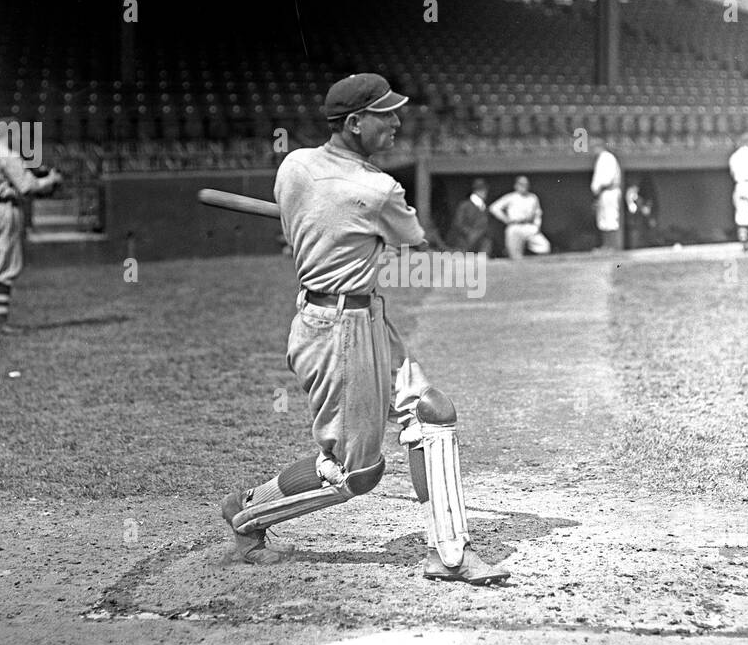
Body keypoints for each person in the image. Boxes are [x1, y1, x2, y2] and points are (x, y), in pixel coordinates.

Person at [220, 72, 509, 586]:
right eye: (385, 114)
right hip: (335, 331)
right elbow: (415, 244)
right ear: (354, 123)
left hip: (365, 316)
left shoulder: (294, 166)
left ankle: (449, 553)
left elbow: (305, 222)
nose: (397, 122)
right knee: (356, 472)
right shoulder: (380, 190)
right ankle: (246, 514)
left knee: (430, 412)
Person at [0, 123, 62, 334]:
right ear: (8, 133)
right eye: (17, 134)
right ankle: (1, 323)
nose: (20, 138)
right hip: (4, 210)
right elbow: (26, 186)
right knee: (6, 266)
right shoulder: (8, 155)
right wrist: (50, 179)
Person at [488, 175, 551, 260]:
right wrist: (506, 219)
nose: (523, 186)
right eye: (521, 184)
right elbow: (494, 208)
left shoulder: (533, 198)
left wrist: (537, 226)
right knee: (515, 255)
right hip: (514, 226)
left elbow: (538, 214)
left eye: (525, 184)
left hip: (528, 226)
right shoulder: (511, 197)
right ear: (516, 186)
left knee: (544, 247)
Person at [447, 178, 491, 253]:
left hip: (482, 242)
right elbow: (458, 223)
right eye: (481, 190)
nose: (484, 192)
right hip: (466, 242)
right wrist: (470, 233)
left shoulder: (484, 207)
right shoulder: (464, 206)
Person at [591, 144, 622, 249]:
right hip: (604, 193)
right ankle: (606, 246)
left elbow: (606, 179)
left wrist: (598, 188)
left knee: (610, 218)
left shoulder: (607, 157)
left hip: (609, 191)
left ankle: (612, 246)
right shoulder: (601, 158)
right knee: (603, 219)